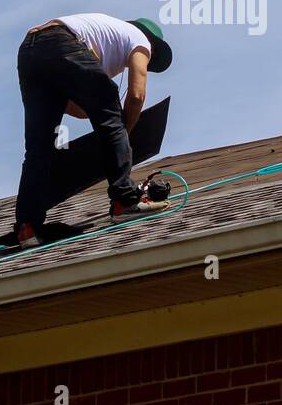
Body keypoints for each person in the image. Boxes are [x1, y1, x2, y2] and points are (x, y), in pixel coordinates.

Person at [12, 13, 173, 248]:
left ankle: (28, 227)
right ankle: (124, 201)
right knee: (113, 114)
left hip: (29, 52)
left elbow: (78, 108)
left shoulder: (102, 42)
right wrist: (122, 132)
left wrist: (109, 132)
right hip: (59, 41)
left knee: (39, 149)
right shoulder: (140, 39)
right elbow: (136, 97)